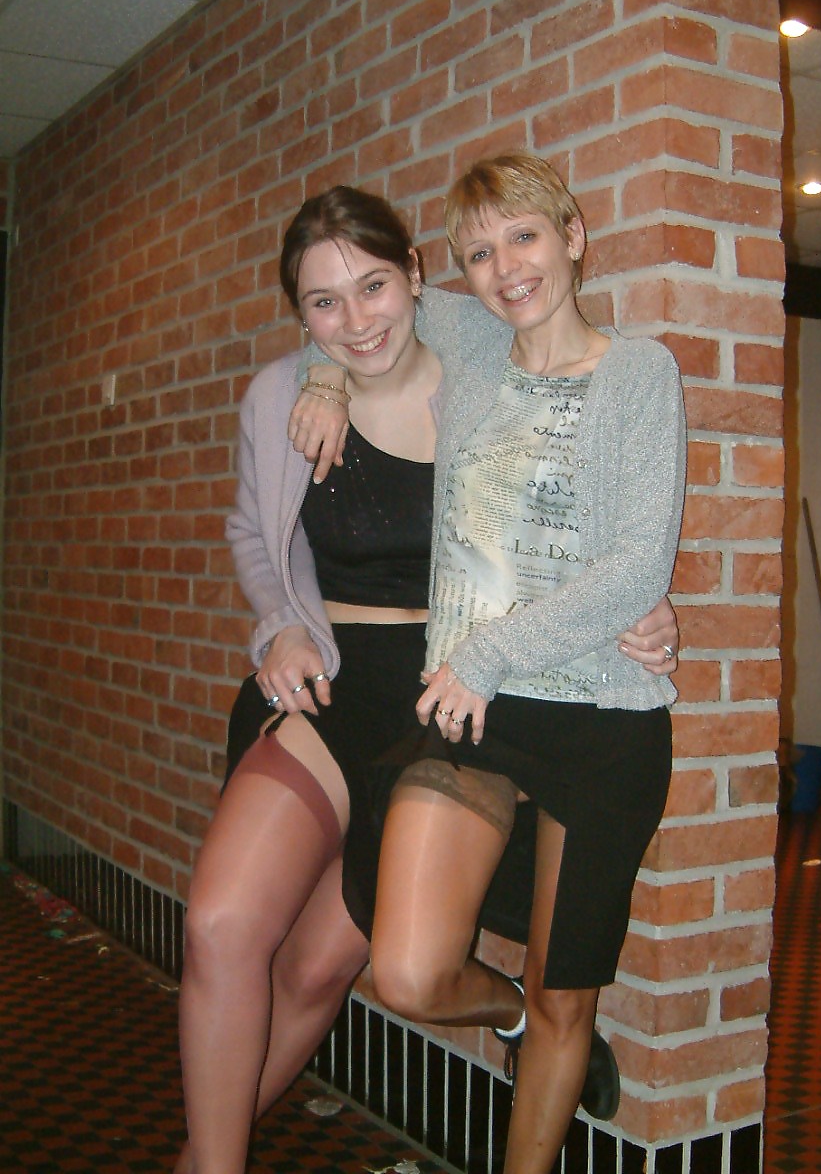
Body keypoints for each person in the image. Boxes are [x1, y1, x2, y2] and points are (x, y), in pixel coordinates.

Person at [175, 184, 679, 1174]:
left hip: (448, 700)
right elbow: (253, 528)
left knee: (321, 967)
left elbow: (570, 499)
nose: (355, 317)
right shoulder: (280, 394)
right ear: (299, 314)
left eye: (373, 285)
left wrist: (643, 604)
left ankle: (508, 1015)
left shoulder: (481, 359)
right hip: (330, 683)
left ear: (414, 276)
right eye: (322, 303)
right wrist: (280, 621)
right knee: (221, 923)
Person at [362, 154, 687, 1174]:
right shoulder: (467, 338)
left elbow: (639, 563)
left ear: (572, 236)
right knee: (407, 971)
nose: (504, 269)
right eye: (478, 253)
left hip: (602, 717)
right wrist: (327, 380)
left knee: (565, 994)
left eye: (524, 236)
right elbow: (348, 308)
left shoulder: (641, 372)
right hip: (476, 712)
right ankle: (503, 1015)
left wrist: (492, 649)